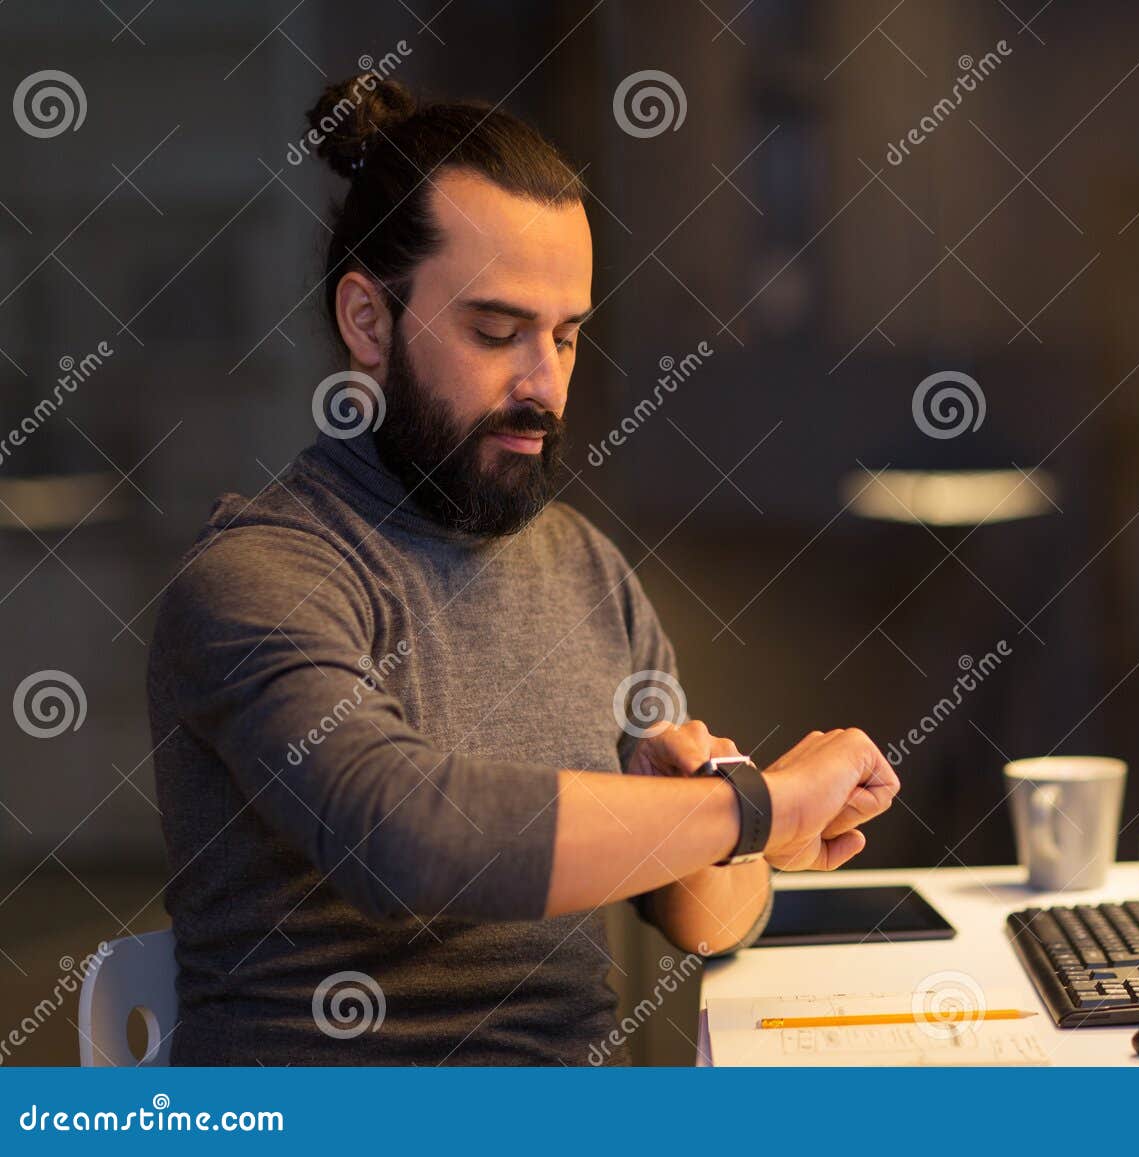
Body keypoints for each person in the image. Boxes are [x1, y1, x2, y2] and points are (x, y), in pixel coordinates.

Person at [146, 74, 898, 1066]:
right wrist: (758, 804)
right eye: (496, 333)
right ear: (369, 323)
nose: (543, 384)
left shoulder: (583, 565)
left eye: (567, 335)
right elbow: (404, 836)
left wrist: (724, 829)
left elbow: (708, 920)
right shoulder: (258, 576)